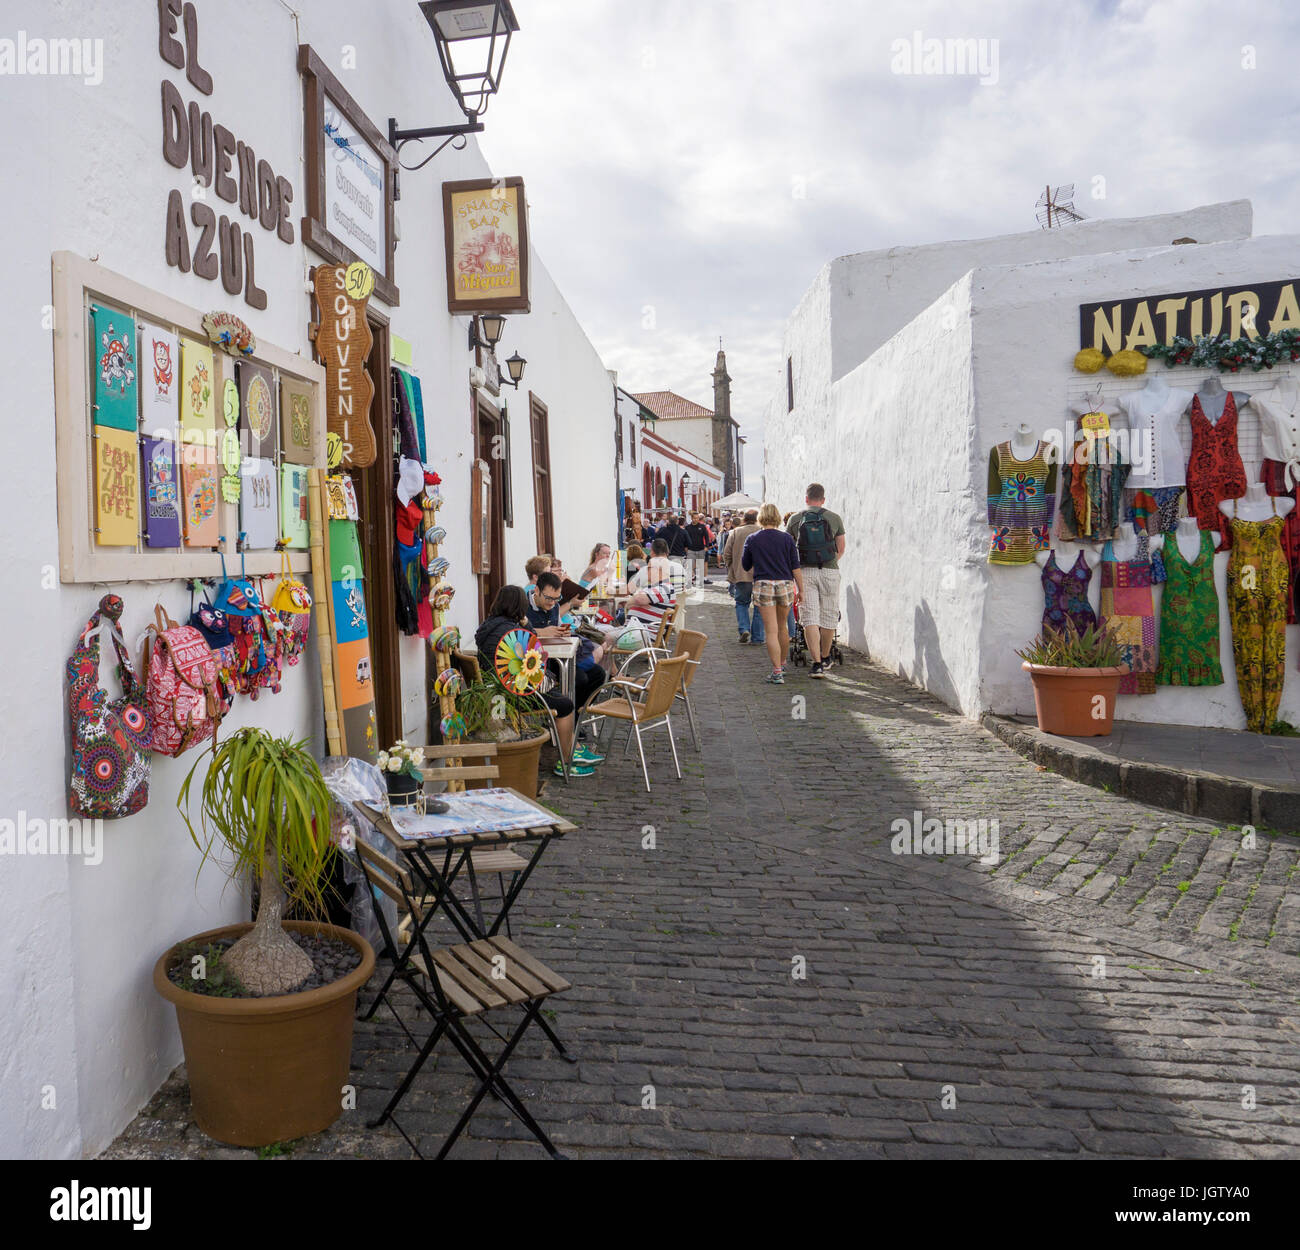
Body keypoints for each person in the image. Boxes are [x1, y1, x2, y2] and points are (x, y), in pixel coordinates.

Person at [476, 585, 603, 776]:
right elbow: (534, 665)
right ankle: (567, 760)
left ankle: (573, 749)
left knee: (558, 695)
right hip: (514, 695)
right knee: (565, 704)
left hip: (493, 693)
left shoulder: (487, 628)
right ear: (520, 606)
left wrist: (525, 623)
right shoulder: (515, 633)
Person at [786, 482, 846, 678]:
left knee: (809, 618)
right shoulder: (834, 518)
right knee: (828, 617)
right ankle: (826, 656)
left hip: (805, 573)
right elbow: (841, 547)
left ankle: (817, 664)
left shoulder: (796, 518)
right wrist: (830, 562)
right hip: (829, 572)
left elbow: (788, 549)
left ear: (806, 498)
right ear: (823, 499)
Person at [741, 503, 803, 684]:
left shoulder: (753, 539)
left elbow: (746, 565)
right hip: (785, 583)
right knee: (782, 626)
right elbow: (795, 567)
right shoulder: (787, 539)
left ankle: (777, 671)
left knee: (771, 630)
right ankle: (782, 663)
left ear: (761, 517)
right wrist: (801, 590)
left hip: (764, 584)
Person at [723, 508, 763, 645]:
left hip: (741, 574)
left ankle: (744, 628)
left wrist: (732, 568)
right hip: (760, 575)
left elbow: (726, 553)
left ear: (744, 519)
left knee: (741, 603)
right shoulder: (762, 531)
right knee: (759, 606)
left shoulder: (735, 532)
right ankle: (757, 637)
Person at [683, 512, 710, 587]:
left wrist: (706, 546)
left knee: (701, 566)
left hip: (701, 549)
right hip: (691, 549)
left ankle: (700, 581)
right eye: (695, 518)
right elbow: (685, 539)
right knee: (690, 566)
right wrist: (685, 547)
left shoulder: (702, 526)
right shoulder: (688, 527)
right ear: (691, 518)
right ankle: (690, 580)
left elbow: (706, 537)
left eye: (697, 518)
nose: (696, 519)